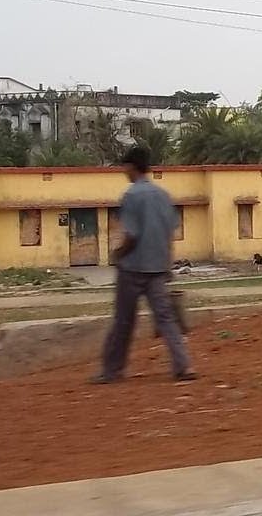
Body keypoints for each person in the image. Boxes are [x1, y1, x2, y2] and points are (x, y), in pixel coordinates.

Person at [91, 147, 197, 383]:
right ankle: (183, 366)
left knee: (124, 321)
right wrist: (167, 263)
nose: (123, 171)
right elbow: (169, 233)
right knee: (166, 318)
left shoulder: (131, 196)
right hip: (158, 267)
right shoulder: (163, 195)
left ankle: (112, 370)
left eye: (125, 167)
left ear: (131, 167)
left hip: (133, 268)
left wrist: (118, 255)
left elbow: (132, 235)